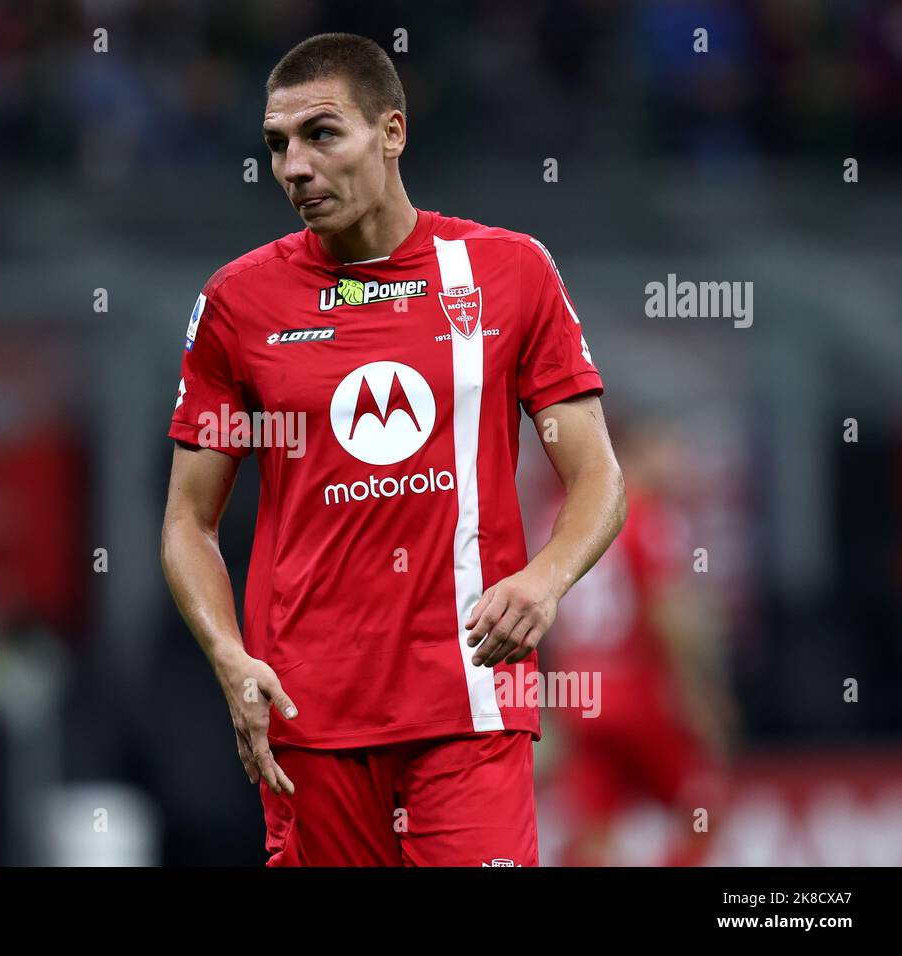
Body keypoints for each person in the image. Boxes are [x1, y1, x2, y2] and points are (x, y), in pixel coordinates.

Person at [160, 32, 625, 866]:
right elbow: (189, 521)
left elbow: (597, 477)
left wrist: (544, 580)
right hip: (309, 719)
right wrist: (229, 658)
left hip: (472, 704)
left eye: (321, 134)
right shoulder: (238, 303)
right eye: (276, 145)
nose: (294, 167)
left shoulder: (508, 274)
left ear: (392, 132)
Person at [541, 419, 737, 866]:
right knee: (705, 809)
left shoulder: (559, 517)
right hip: (638, 695)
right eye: (670, 448)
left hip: (581, 696)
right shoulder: (647, 516)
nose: (679, 463)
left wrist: (549, 698)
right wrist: (702, 699)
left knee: (593, 830)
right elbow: (669, 617)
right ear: (640, 450)